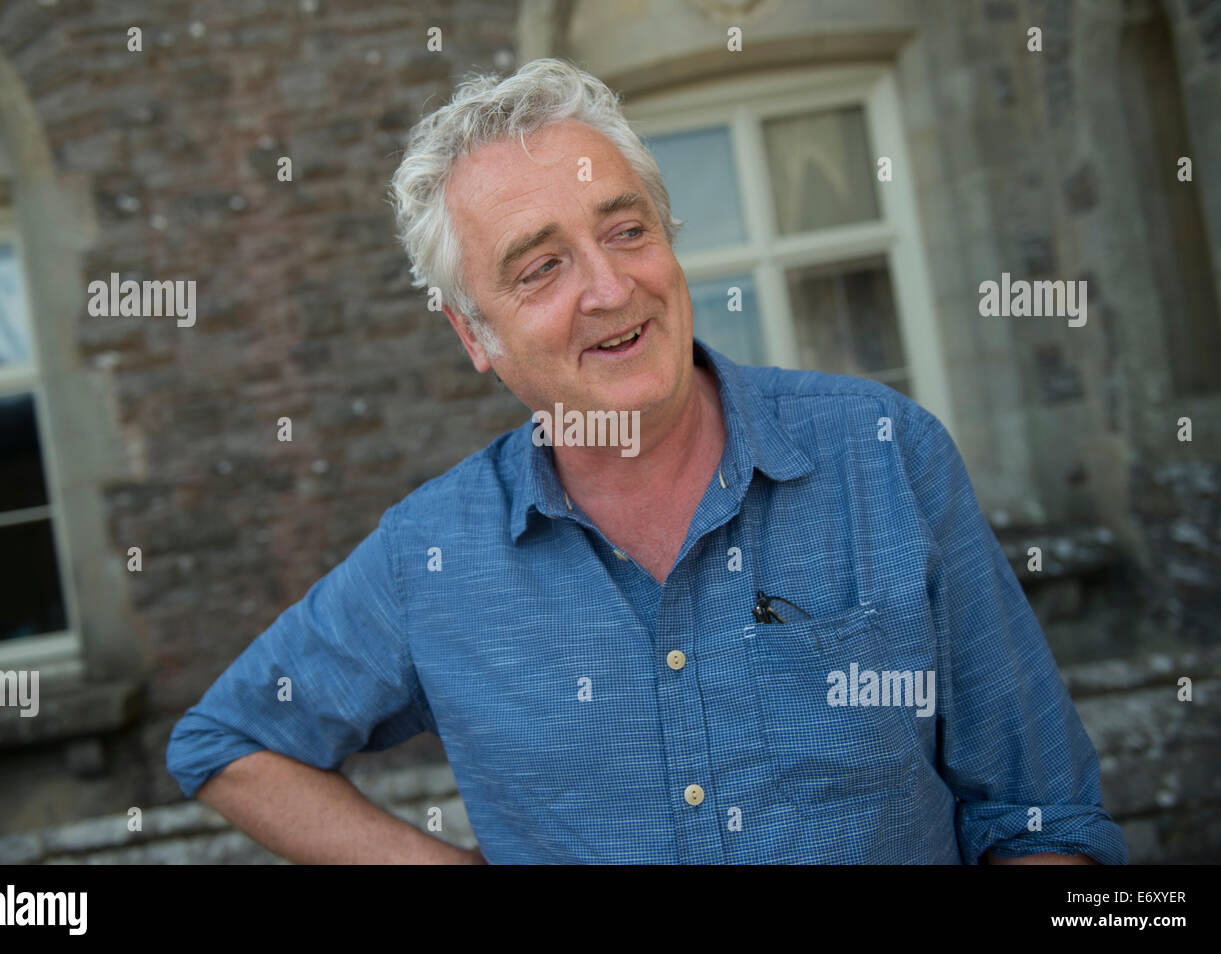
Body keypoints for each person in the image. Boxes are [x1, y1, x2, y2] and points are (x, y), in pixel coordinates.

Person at [166, 58, 1128, 865]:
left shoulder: (883, 453)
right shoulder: (431, 555)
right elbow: (228, 741)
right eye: (540, 266)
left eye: (626, 230)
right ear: (474, 334)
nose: (609, 285)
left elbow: (1043, 814)